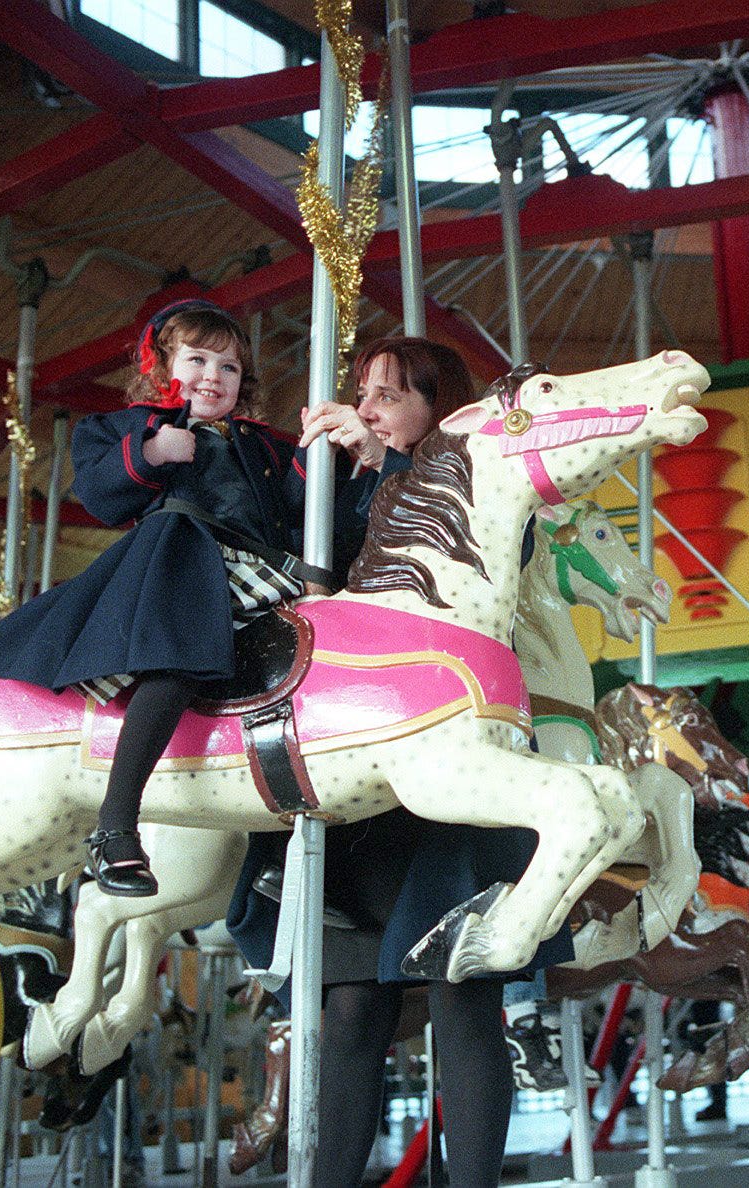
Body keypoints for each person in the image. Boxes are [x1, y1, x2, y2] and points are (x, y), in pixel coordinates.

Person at [228, 336, 570, 1188]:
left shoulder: (475, 478)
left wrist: (387, 466)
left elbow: (458, 562)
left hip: (448, 759)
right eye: (363, 394)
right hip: (361, 766)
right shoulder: (345, 489)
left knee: (463, 998)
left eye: (389, 395)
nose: (368, 409)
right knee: (349, 1009)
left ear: (436, 407)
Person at [0, 299, 343, 897]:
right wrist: (151, 453)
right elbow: (100, 494)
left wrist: (314, 452)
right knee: (178, 662)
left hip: (258, 567)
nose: (213, 377)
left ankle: (279, 839)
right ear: (161, 365)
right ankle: (116, 823)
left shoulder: (259, 444)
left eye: (229, 367)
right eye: (197, 360)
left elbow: (295, 509)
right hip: (182, 563)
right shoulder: (128, 427)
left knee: (296, 671)